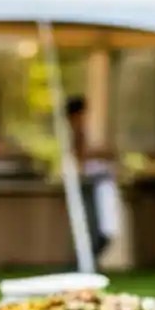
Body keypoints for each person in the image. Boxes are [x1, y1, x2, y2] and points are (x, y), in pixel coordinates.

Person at [65, 97, 120, 261]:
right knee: (97, 230)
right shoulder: (76, 133)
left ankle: (89, 262)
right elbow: (81, 156)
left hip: (102, 182)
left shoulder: (89, 131)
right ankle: (85, 262)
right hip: (92, 184)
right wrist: (101, 153)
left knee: (107, 230)